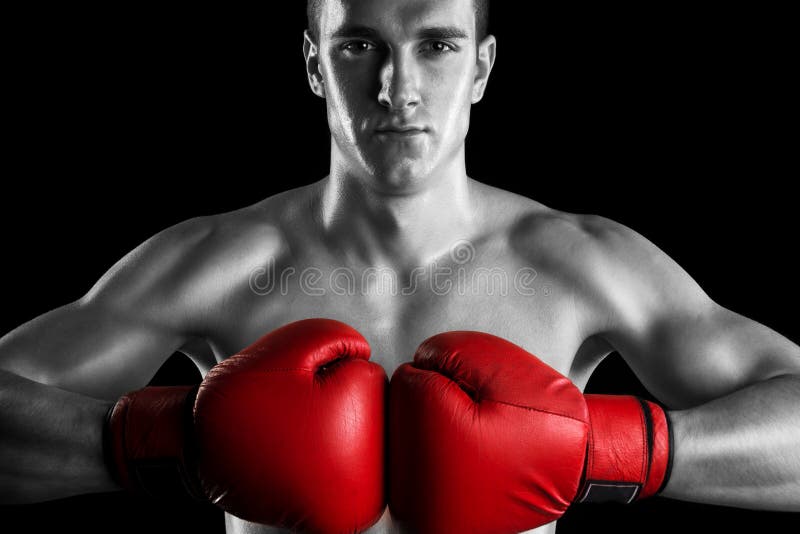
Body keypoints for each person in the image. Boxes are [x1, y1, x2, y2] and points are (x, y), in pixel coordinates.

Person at [1, 0, 798, 532]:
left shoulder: (581, 264)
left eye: (437, 46)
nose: (397, 88)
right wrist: (173, 441)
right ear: (314, 65)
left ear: (481, 68)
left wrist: (608, 449)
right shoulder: (215, 261)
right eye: (359, 46)